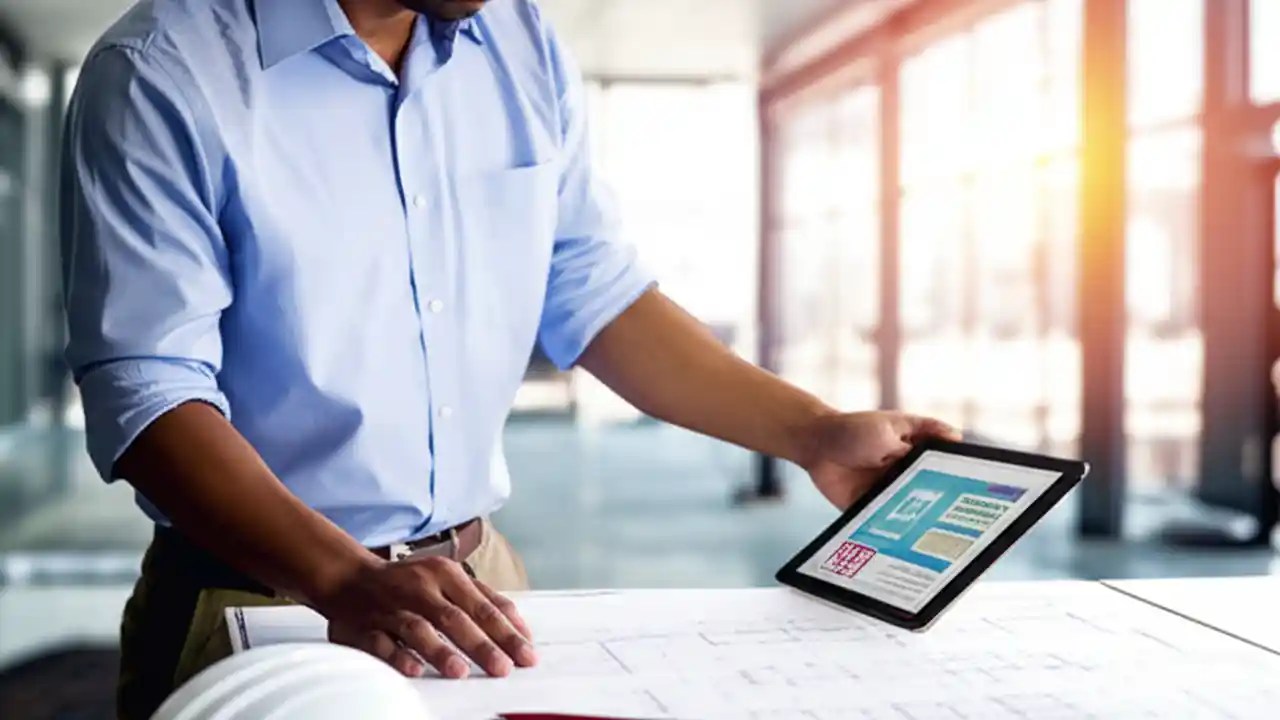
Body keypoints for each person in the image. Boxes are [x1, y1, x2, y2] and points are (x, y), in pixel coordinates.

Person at [60, 0, 960, 718]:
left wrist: (813, 432)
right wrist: (345, 580)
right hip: (253, 596)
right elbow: (148, 392)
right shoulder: (159, 72)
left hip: (477, 580)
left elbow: (594, 295)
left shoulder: (516, 39)